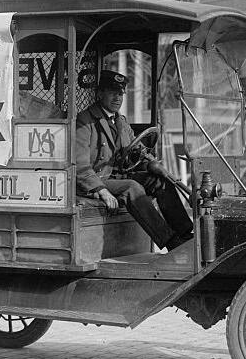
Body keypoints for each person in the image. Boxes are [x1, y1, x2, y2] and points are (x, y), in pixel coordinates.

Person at [75, 69, 193, 252]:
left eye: (121, 93)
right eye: (113, 92)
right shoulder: (85, 120)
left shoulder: (121, 121)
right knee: (132, 187)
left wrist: (151, 164)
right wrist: (102, 190)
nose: (118, 98)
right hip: (97, 181)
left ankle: (185, 235)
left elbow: (135, 152)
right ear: (100, 94)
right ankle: (170, 242)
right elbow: (80, 165)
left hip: (117, 176)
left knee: (160, 181)